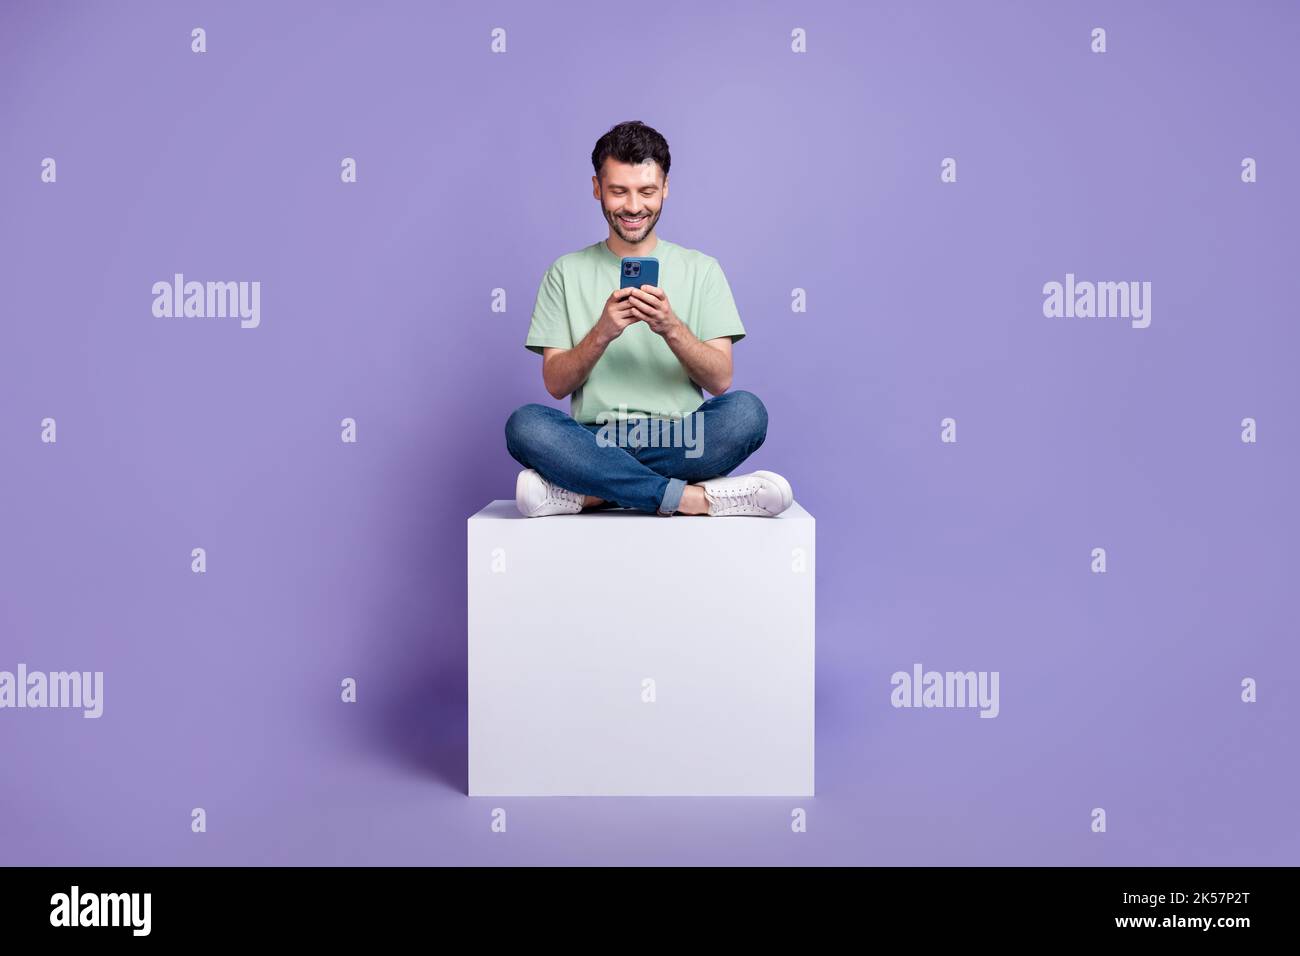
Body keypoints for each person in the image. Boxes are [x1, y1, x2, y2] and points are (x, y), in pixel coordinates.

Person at [505, 120, 793, 518]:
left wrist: (670, 327)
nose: (634, 206)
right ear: (596, 189)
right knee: (525, 425)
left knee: (747, 414)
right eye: (619, 191)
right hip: (593, 439)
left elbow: (720, 379)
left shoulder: (702, 269)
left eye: (647, 191)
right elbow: (555, 384)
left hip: (682, 437)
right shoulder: (565, 272)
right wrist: (602, 333)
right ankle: (694, 500)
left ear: (666, 189)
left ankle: (592, 493)